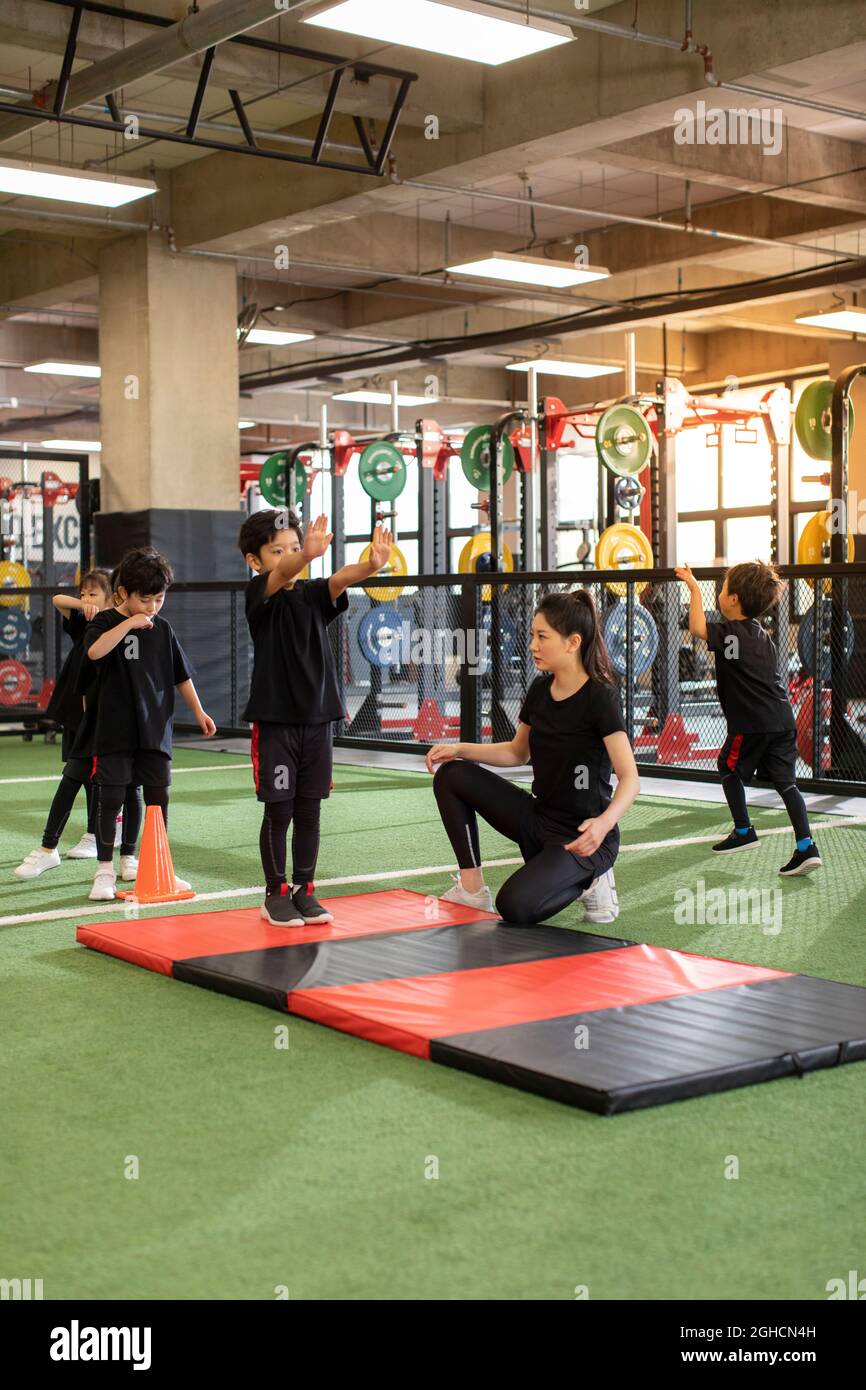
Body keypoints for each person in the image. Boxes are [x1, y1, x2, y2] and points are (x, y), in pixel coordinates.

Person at [426, 588, 640, 926]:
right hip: (537, 819)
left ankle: (592, 879)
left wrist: (603, 825)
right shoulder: (540, 691)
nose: (533, 646)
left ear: (573, 642)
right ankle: (471, 889)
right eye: (532, 636)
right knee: (452, 775)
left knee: (515, 906)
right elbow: (516, 751)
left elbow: (630, 778)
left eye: (542, 637)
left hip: (580, 837)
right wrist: (460, 749)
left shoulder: (601, 698)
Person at [238, 508, 391, 927]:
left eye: (293, 546)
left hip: (319, 721)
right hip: (276, 723)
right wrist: (304, 554)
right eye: (277, 551)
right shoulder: (258, 593)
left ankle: (305, 889)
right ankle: (275, 893)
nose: (289, 556)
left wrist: (372, 565)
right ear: (256, 560)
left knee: (309, 809)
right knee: (279, 809)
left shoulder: (311, 594)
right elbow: (284, 572)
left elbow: (340, 578)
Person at [75, 547, 216, 901]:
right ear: (123, 593)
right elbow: (94, 653)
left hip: (155, 729)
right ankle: (104, 871)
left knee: (155, 798)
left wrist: (199, 711)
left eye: (159, 599)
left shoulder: (164, 629)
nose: (153, 607)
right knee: (111, 797)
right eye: (146, 599)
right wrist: (127, 623)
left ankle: (147, 863)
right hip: (114, 729)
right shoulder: (104, 622)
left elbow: (181, 676)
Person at [675, 558, 821, 875]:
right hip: (782, 721)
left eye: (723, 588)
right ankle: (806, 846)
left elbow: (697, 628)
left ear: (733, 599)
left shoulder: (731, 634)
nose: (720, 593)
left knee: (727, 766)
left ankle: (743, 832)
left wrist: (693, 588)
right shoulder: (760, 635)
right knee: (787, 784)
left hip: (753, 724)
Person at [14, 571, 141, 881]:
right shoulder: (88, 622)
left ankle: (111, 846)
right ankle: (51, 848)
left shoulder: (125, 628)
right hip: (81, 716)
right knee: (74, 777)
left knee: (115, 784)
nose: (85, 600)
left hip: (108, 720)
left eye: (92, 594)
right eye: (83, 594)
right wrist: (86, 605)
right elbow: (58, 600)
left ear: (115, 596)